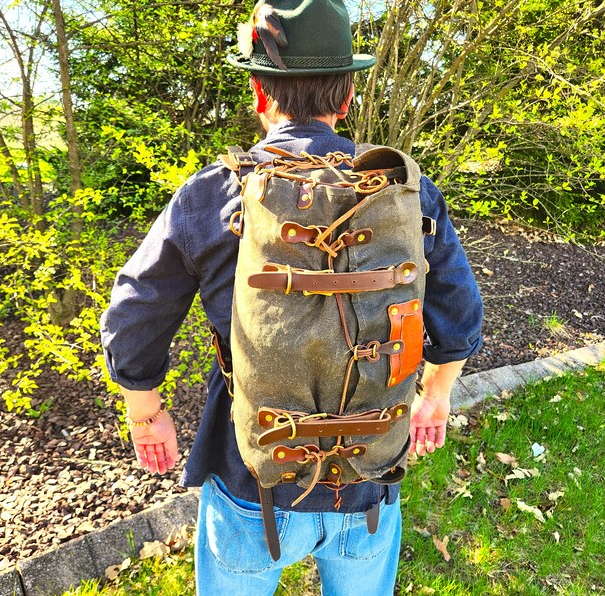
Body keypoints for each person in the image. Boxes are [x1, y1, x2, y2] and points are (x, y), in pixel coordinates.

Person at [100, 1, 483, 593]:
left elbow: (132, 315)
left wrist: (147, 414)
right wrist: (435, 395)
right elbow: (458, 315)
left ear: (259, 93)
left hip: (251, 480)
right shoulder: (405, 190)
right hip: (368, 485)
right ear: (348, 96)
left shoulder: (215, 195)